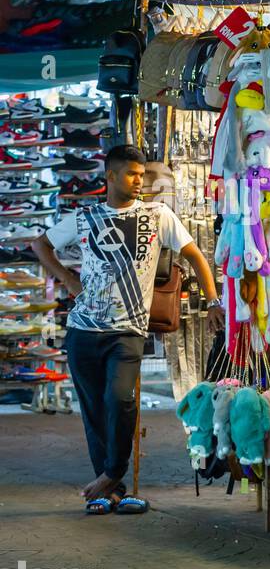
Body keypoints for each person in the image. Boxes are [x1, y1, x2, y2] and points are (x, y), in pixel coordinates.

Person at [32, 144, 221, 514]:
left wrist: (213, 301)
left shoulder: (157, 214)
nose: (140, 181)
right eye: (133, 174)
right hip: (83, 330)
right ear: (111, 177)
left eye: (143, 174)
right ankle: (110, 491)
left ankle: (110, 473)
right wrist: (69, 282)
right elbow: (40, 245)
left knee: (120, 400)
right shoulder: (85, 217)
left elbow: (194, 255)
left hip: (127, 331)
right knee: (94, 411)